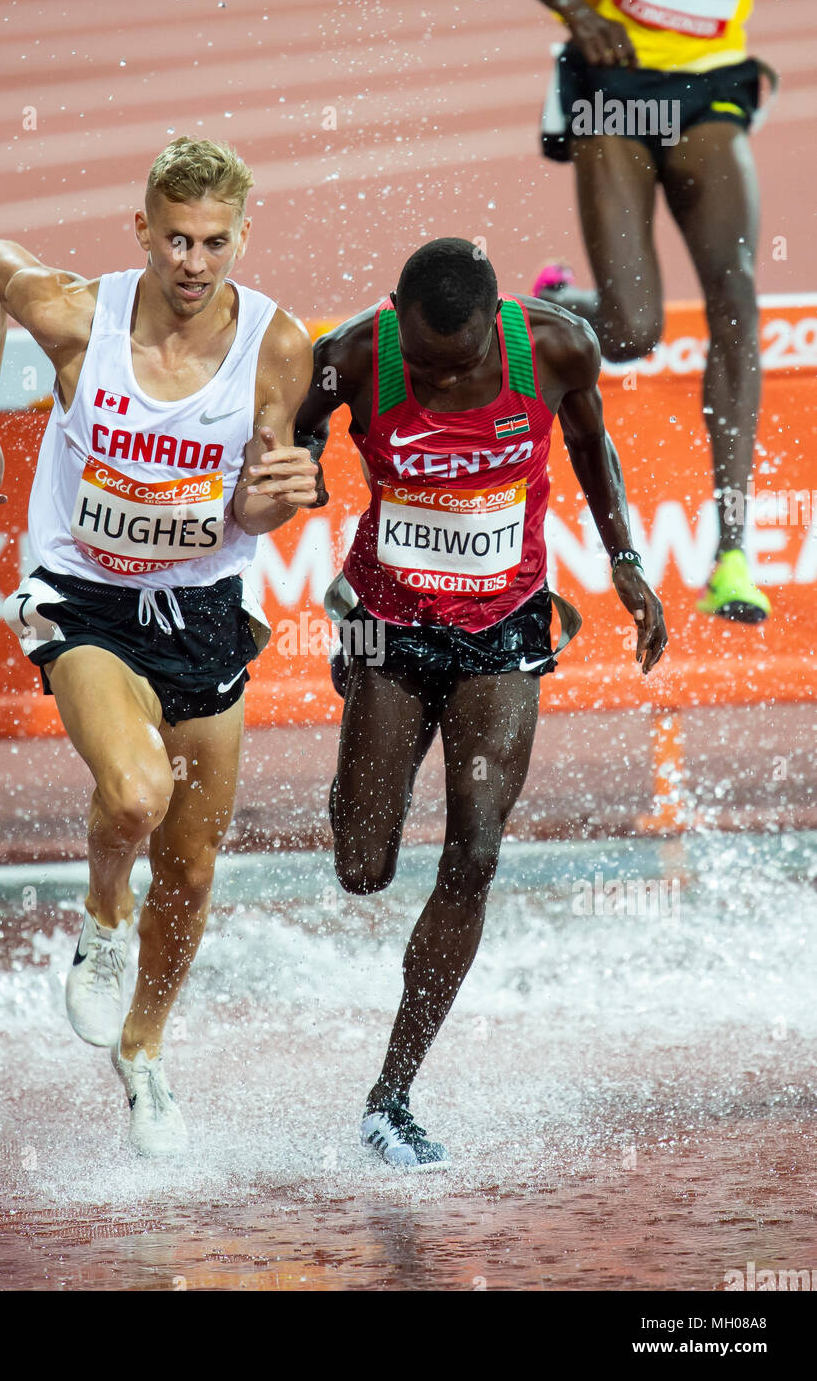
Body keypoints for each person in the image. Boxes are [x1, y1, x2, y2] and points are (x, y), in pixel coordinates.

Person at [0, 137, 323, 1156]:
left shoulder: (278, 346)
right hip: (85, 598)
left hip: (201, 611)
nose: (193, 263)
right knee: (131, 794)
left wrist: (270, 502)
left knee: (195, 870)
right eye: (174, 239)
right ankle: (104, 917)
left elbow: (259, 492)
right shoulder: (81, 315)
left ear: (242, 237)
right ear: (141, 232)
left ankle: (144, 1053)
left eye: (214, 242)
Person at [295, 238, 667, 1168]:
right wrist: (297, 465)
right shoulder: (352, 357)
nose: (440, 381)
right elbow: (293, 433)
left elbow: (590, 444)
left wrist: (624, 564)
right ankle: (363, 744)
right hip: (389, 625)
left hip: (504, 626)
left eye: (459, 367)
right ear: (395, 322)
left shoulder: (555, 348)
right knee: (362, 867)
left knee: (476, 852)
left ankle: (391, 1098)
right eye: (422, 365)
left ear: (494, 328)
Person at [529, 0, 773, 622]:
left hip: (712, 80)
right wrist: (577, 13)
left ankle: (733, 555)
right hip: (615, 85)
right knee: (633, 330)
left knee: (737, 294)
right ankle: (560, 302)